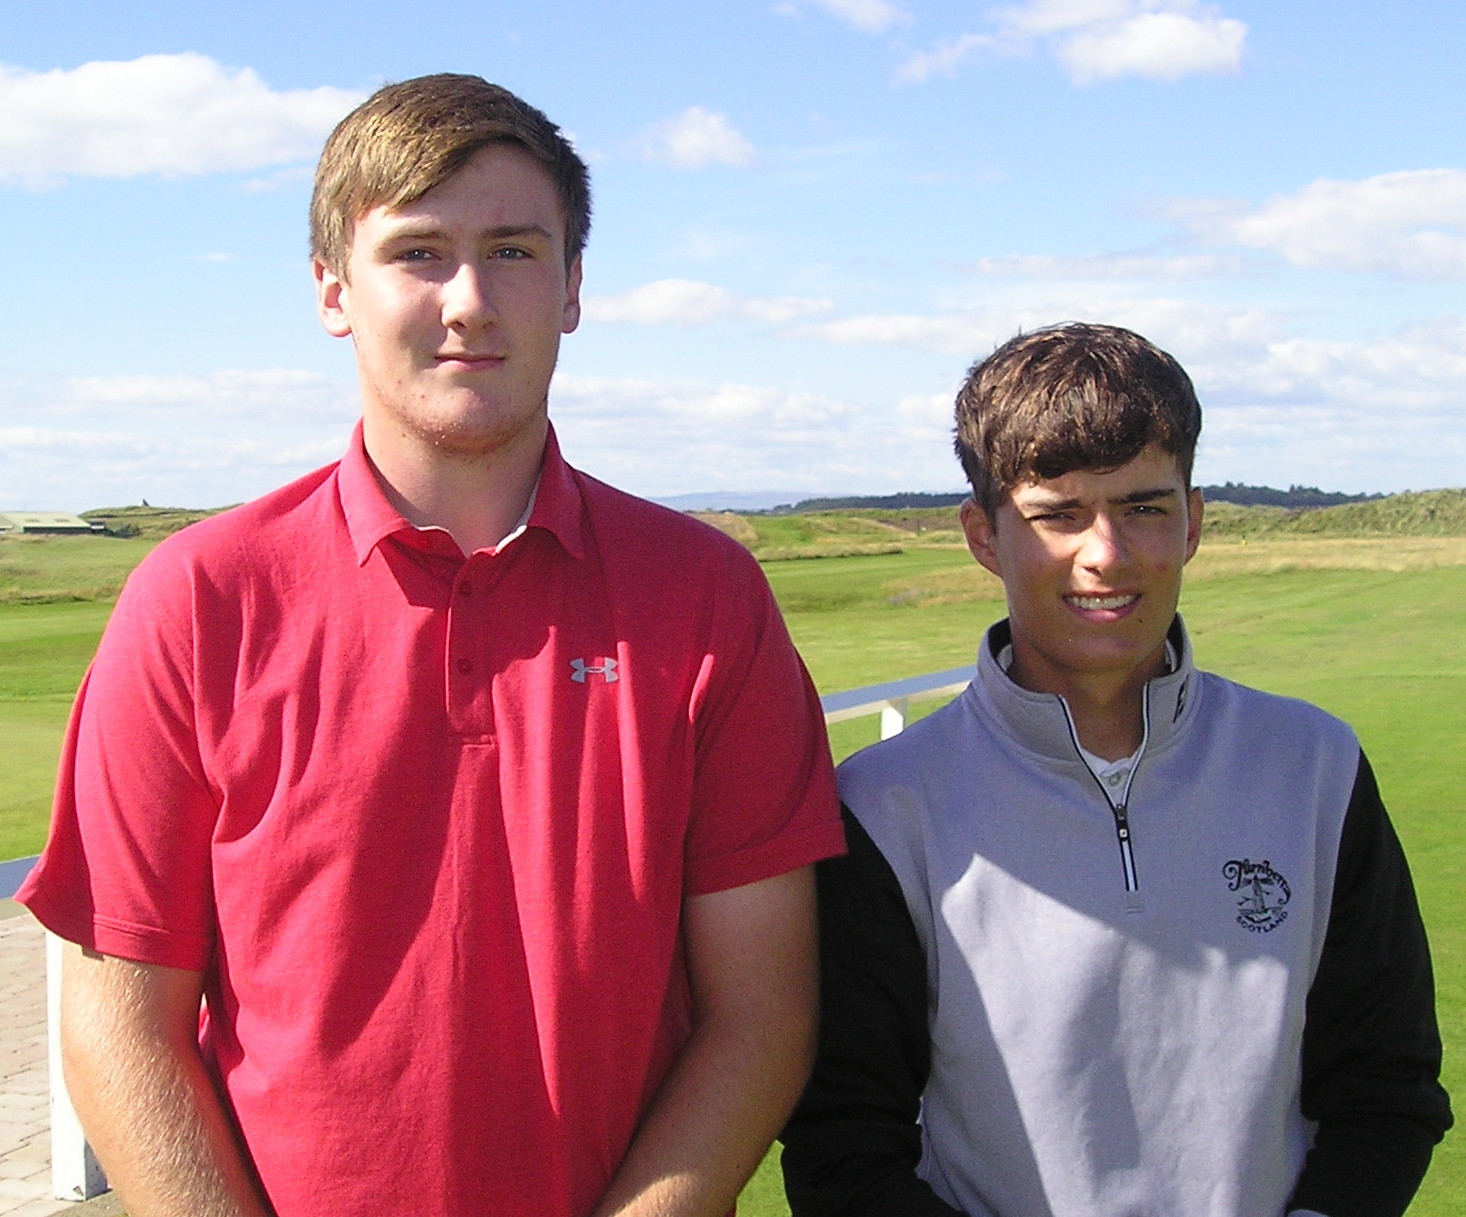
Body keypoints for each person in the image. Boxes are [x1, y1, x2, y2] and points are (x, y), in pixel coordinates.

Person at [19, 74, 844, 1217]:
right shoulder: (199, 600)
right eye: (416, 251)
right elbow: (119, 1028)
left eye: (512, 249)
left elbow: (762, 1016)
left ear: (571, 289)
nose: (467, 299)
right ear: (331, 291)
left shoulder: (706, 598)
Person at [780, 322, 1451, 1217]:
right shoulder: (883, 805)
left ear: (1195, 519)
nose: (1108, 553)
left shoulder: (1315, 765)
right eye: (1057, 514)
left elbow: (1387, 1088)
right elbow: (844, 1147)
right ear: (983, 535)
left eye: (1144, 506)